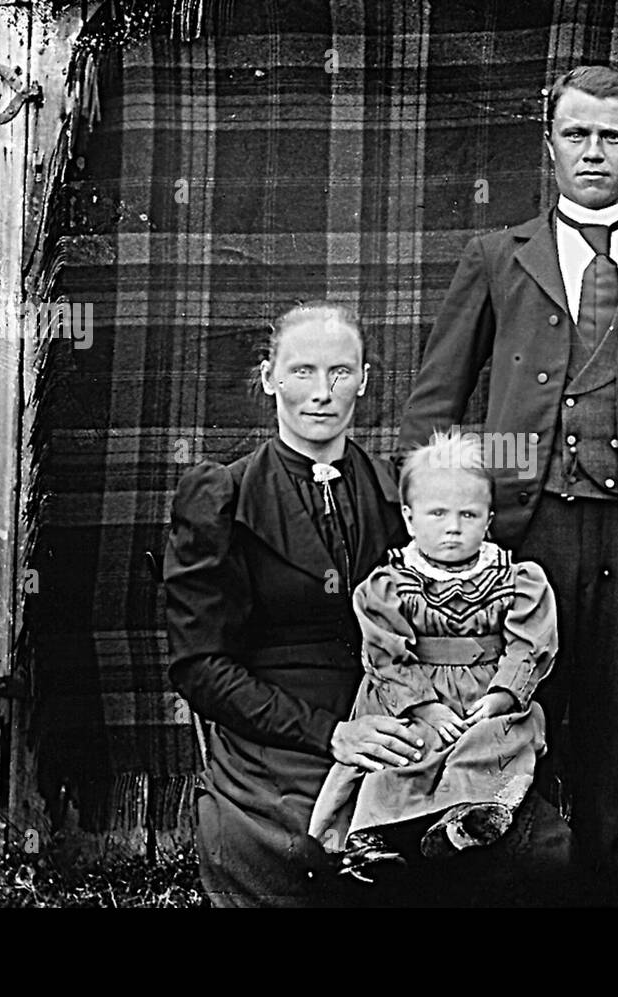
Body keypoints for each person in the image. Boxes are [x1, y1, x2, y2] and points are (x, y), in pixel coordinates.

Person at [397, 65, 618, 881]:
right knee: (509, 724)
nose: (593, 152)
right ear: (548, 146)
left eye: (611, 136)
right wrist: (438, 526)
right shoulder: (495, 255)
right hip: (520, 534)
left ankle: (601, 892)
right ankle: (512, 891)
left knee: (616, 734)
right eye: (576, 134)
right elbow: (435, 399)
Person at [164, 300, 424, 906]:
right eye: (302, 371)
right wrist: (331, 735)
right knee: (316, 859)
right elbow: (199, 666)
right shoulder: (221, 496)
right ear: (268, 378)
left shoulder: (400, 495)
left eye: (340, 372)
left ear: (364, 380)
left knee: (519, 844)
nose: (321, 393)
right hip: (276, 732)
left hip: (391, 709)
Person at [308, 431, 558, 880]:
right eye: (437, 513)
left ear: (488, 519)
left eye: (469, 514)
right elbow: (386, 655)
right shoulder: (390, 585)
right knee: (404, 746)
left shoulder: (516, 579)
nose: (453, 526)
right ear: (409, 517)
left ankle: (466, 822)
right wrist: (423, 703)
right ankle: (371, 839)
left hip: (485, 692)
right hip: (416, 695)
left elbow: (530, 644)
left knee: (500, 739)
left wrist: (503, 694)